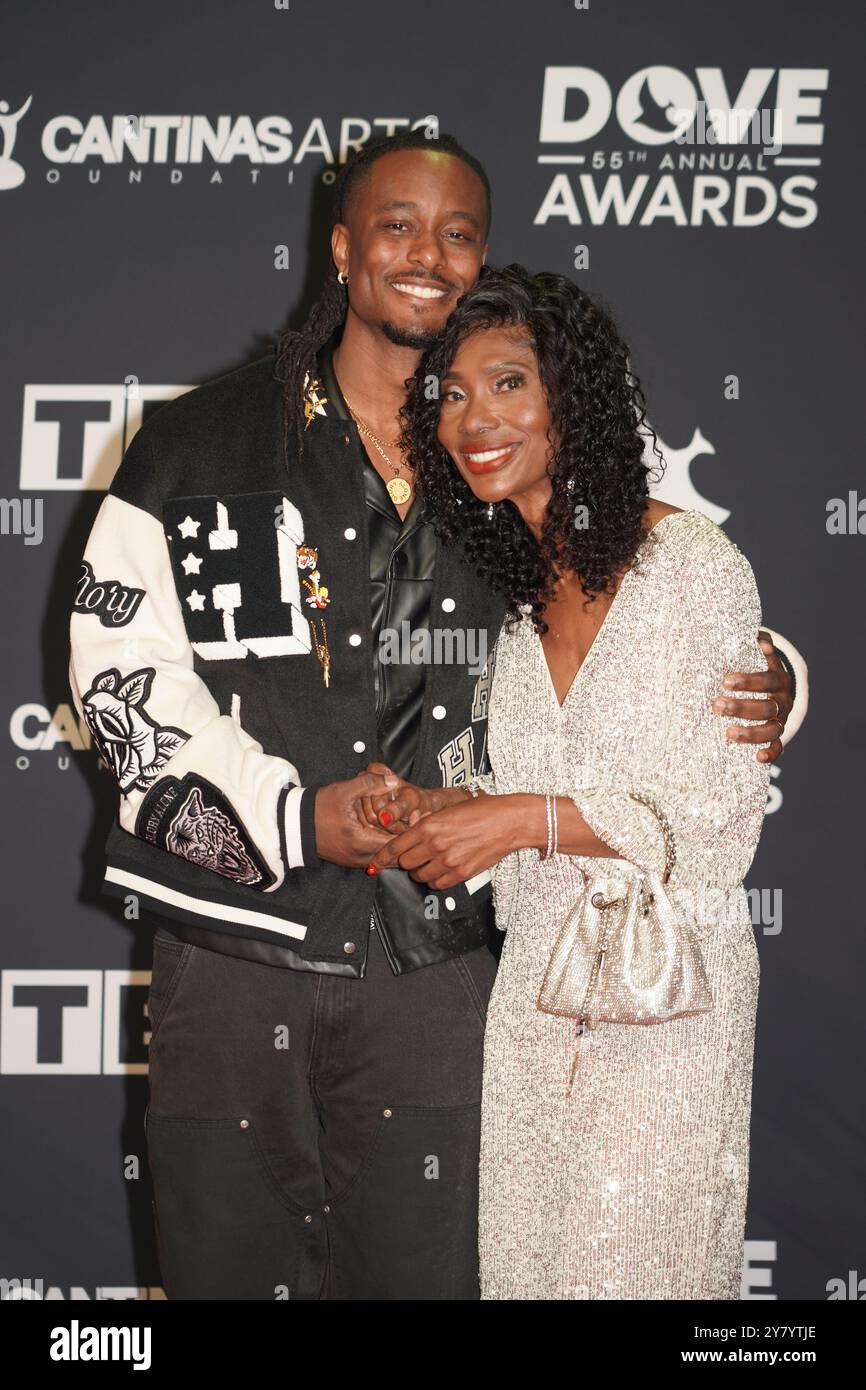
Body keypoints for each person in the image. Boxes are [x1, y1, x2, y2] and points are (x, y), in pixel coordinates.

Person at [68, 132, 804, 1300]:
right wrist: (294, 816)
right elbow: (120, 683)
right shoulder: (196, 445)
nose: (427, 254)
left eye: (458, 233)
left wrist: (769, 673)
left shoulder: (498, 456)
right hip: (228, 955)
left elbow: (640, 591)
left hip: (443, 974)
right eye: (398, 226)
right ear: (343, 246)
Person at [369, 263, 782, 1299]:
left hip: (667, 1008)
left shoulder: (691, 565)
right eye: (451, 393)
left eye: (506, 383)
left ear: (573, 396)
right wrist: (459, 811)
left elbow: (720, 824)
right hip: (533, 1009)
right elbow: (557, 800)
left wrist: (525, 817)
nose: (474, 416)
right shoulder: (517, 608)